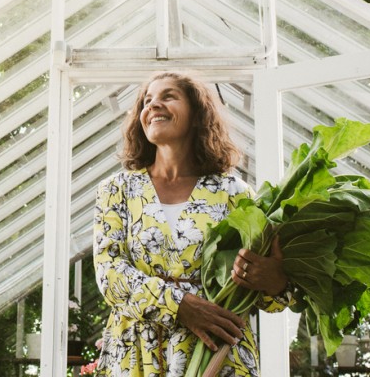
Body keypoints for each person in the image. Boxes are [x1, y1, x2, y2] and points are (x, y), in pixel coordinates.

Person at [93, 71, 292, 377]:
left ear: (197, 114)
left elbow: (271, 297)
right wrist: (180, 305)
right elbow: (109, 274)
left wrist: (276, 280)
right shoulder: (117, 190)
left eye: (168, 96)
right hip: (138, 355)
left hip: (217, 355)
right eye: (147, 100)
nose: (153, 105)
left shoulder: (235, 194)